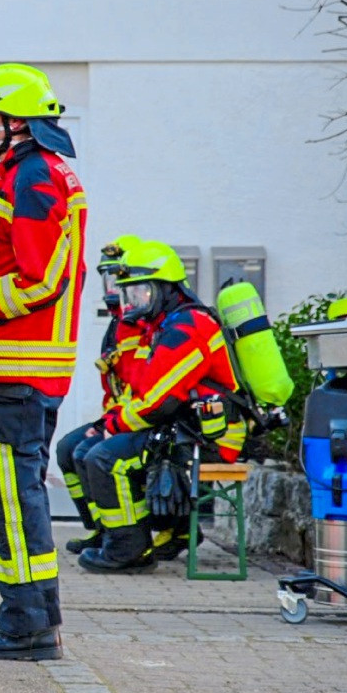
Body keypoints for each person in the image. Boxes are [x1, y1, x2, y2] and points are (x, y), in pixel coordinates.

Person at [0, 63, 86, 662]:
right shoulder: (25, 172)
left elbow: (40, 279)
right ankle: (30, 618)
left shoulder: (33, 177)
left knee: (10, 493)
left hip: (20, 366)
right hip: (20, 367)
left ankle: (28, 625)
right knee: (11, 490)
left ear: (17, 122)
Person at [79, 240, 245, 573]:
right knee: (91, 451)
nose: (133, 301)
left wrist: (112, 427)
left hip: (211, 439)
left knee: (104, 458)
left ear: (166, 289)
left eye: (141, 292)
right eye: (130, 293)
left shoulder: (187, 328)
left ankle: (130, 550)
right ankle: (125, 539)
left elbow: (157, 401)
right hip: (187, 429)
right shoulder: (167, 325)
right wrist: (110, 422)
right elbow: (144, 391)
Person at [57, 235, 143, 555]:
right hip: (121, 415)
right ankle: (100, 527)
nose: (112, 288)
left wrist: (112, 425)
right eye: (107, 279)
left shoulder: (141, 323)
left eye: (117, 279)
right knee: (67, 449)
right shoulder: (119, 323)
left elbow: (142, 385)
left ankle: (129, 537)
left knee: (90, 454)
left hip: (142, 419)